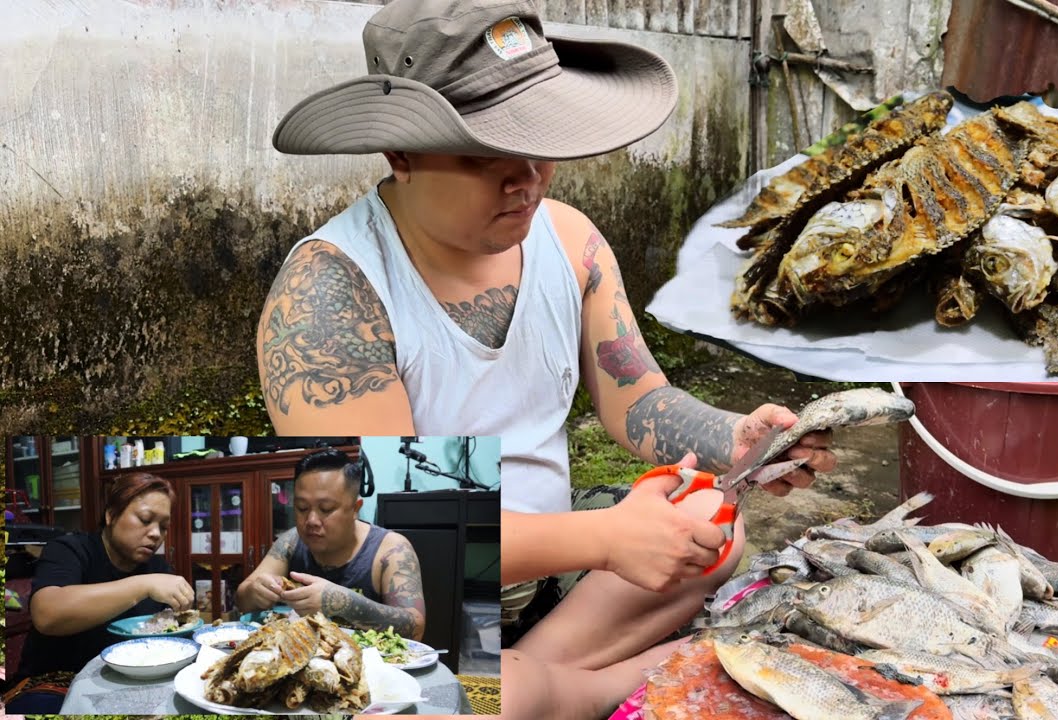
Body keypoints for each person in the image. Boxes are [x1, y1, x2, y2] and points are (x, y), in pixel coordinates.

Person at [257, 1, 836, 717]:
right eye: (485, 155)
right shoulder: (329, 297)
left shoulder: (569, 240)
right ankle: (561, 686)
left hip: (555, 553)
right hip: (439, 584)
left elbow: (637, 398)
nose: (527, 179)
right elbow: (401, 532)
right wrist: (606, 537)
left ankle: (538, 675)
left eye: (538, 144)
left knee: (713, 523)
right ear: (400, 155)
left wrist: (736, 440)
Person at [5, 472, 195, 714]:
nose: (156, 533)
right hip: (53, 685)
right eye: (145, 519)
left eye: (164, 526)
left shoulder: (158, 568)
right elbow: (47, 614)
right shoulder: (69, 549)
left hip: (128, 685)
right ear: (111, 515)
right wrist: (142, 586)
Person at [235, 447, 427, 643]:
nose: (311, 520)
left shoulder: (391, 550)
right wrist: (255, 592)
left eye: (326, 509)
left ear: (355, 509)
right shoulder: (292, 541)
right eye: (302, 508)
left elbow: (415, 628)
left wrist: (343, 603)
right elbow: (242, 597)